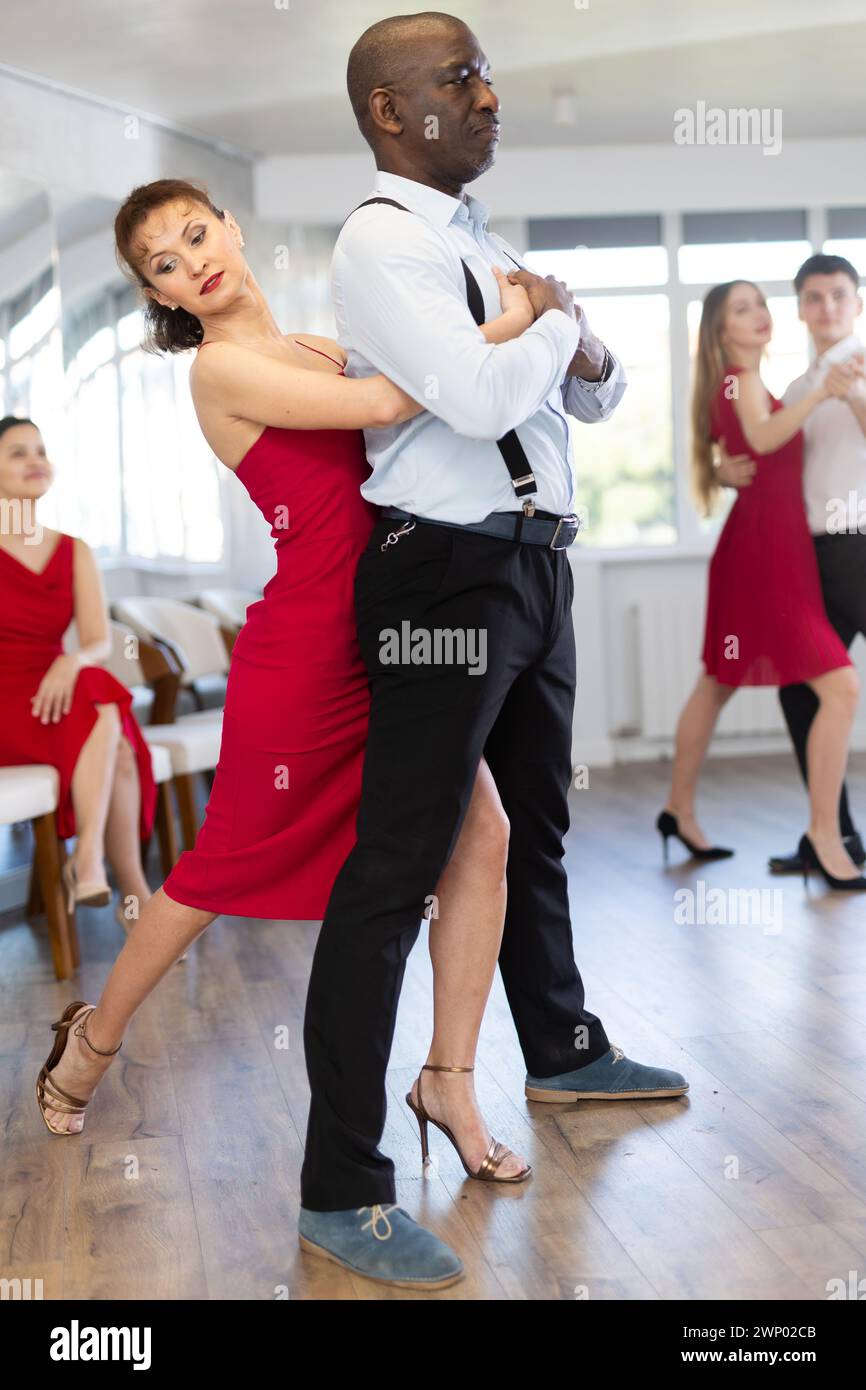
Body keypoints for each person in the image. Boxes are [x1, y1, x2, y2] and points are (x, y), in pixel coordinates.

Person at [35, 174, 545, 1212]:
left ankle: (447, 1080)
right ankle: (90, 1041)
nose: (192, 263)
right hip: (308, 649)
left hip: (392, 630)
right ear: (163, 298)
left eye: (194, 234)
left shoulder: (314, 342)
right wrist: (525, 312)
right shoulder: (219, 369)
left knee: (480, 832)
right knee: (221, 867)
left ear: (229, 222)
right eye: (163, 266)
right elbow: (399, 398)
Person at [294, 11, 688, 1291]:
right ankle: (338, 1184)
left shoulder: (475, 242)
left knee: (540, 828)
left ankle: (562, 1050)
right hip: (443, 568)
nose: (489, 96)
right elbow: (467, 400)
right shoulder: (378, 243)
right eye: (460, 80)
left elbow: (589, 388)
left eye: (482, 75)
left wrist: (559, 331)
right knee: (395, 868)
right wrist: (538, 329)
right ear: (391, 113)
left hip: (531, 558)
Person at [658, 279, 864, 891]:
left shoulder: (740, 383)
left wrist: (726, 464)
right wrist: (819, 397)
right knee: (837, 688)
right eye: (741, 310)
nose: (759, 316)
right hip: (768, 557)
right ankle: (826, 835)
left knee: (718, 682)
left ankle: (679, 811)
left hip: (768, 550)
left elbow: (743, 444)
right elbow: (765, 437)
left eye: (761, 305)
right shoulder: (745, 382)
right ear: (721, 330)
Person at [716, 255, 866, 875]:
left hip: (860, 542)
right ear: (800, 308)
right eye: (813, 297)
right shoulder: (801, 388)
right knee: (802, 695)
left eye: (838, 295)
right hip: (812, 556)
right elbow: (767, 455)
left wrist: (853, 392)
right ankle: (833, 838)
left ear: (857, 301)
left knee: (829, 690)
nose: (826, 308)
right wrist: (723, 471)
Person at [0, 416, 157, 926]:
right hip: (8, 703)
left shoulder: (74, 550)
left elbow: (96, 641)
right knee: (116, 737)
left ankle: (91, 862)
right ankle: (128, 893)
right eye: (18, 453)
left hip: (59, 688)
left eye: (40, 450)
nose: (35, 461)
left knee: (99, 697)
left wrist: (71, 659)